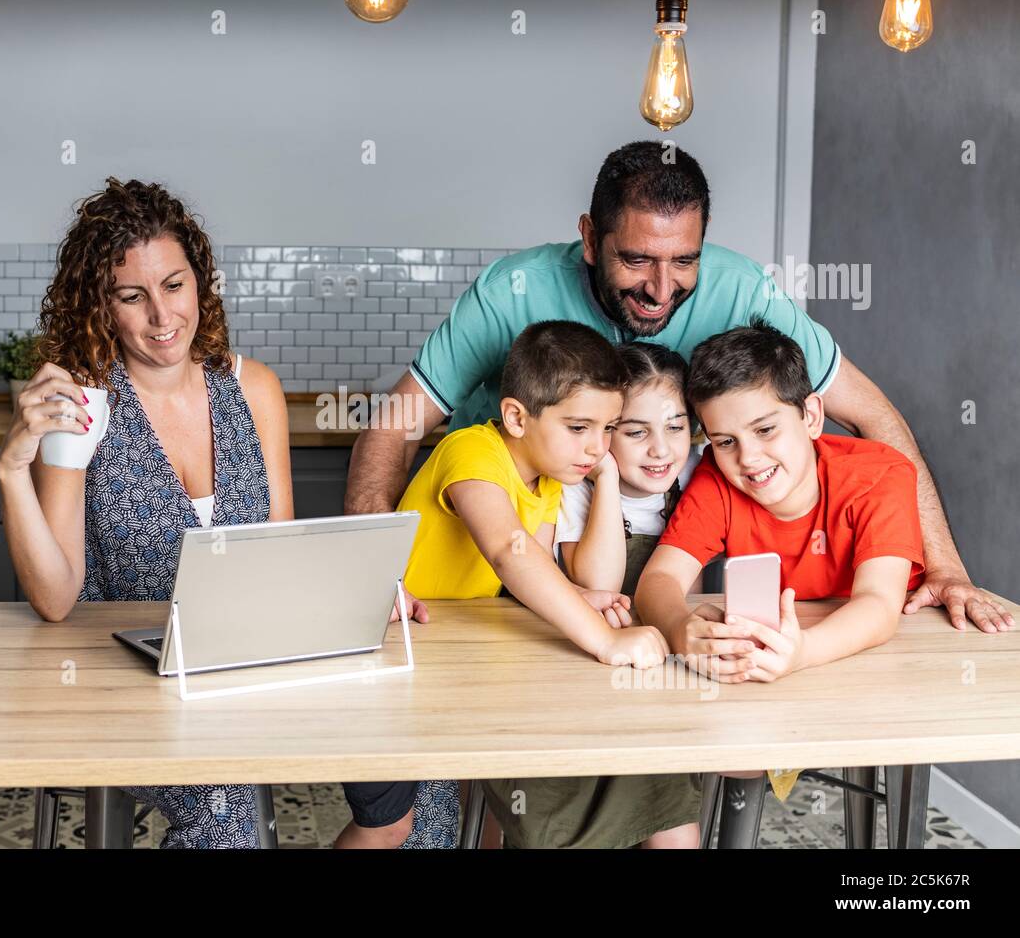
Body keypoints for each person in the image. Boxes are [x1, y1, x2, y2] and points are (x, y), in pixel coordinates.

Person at [345, 141, 1012, 634]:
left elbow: (877, 420)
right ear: (589, 238)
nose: (661, 290)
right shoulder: (511, 291)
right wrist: (374, 575)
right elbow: (392, 424)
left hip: (632, 549)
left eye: (683, 261)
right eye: (636, 259)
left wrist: (947, 568)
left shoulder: (745, 290)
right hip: (483, 553)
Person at [0, 177, 294, 848]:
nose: (162, 318)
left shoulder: (256, 390)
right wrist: (13, 467)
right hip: (118, 680)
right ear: (101, 306)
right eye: (132, 297)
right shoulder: (83, 403)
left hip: (236, 672)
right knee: (222, 813)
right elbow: (53, 596)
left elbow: (280, 556)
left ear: (200, 282)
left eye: (174, 286)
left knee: (422, 790)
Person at [338, 320, 665, 849]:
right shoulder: (472, 452)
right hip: (379, 662)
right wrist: (604, 640)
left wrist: (577, 597)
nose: (598, 449)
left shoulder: (549, 478)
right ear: (516, 417)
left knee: (435, 827)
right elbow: (509, 551)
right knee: (388, 826)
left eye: (608, 429)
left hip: (437, 664)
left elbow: (527, 567)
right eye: (579, 428)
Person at [636, 318, 929, 799]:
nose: (748, 458)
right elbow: (660, 578)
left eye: (765, 429)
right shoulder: (717, 478)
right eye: (725, 440)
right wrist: (680, 629)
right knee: (733, 758)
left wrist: (802, 653)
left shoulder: (882, 473)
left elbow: (879, 606)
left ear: (812, 415)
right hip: (771, 676)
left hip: (866, 670)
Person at [482, 342, 706, 849]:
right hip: (565, 676)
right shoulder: (570, 484)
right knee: (546, 815)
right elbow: (602, 584)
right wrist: (604, 476)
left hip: (653, 677)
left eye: (675, 427)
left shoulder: (695, 475)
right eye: (633, 432)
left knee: (670, 810)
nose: (661, 449)